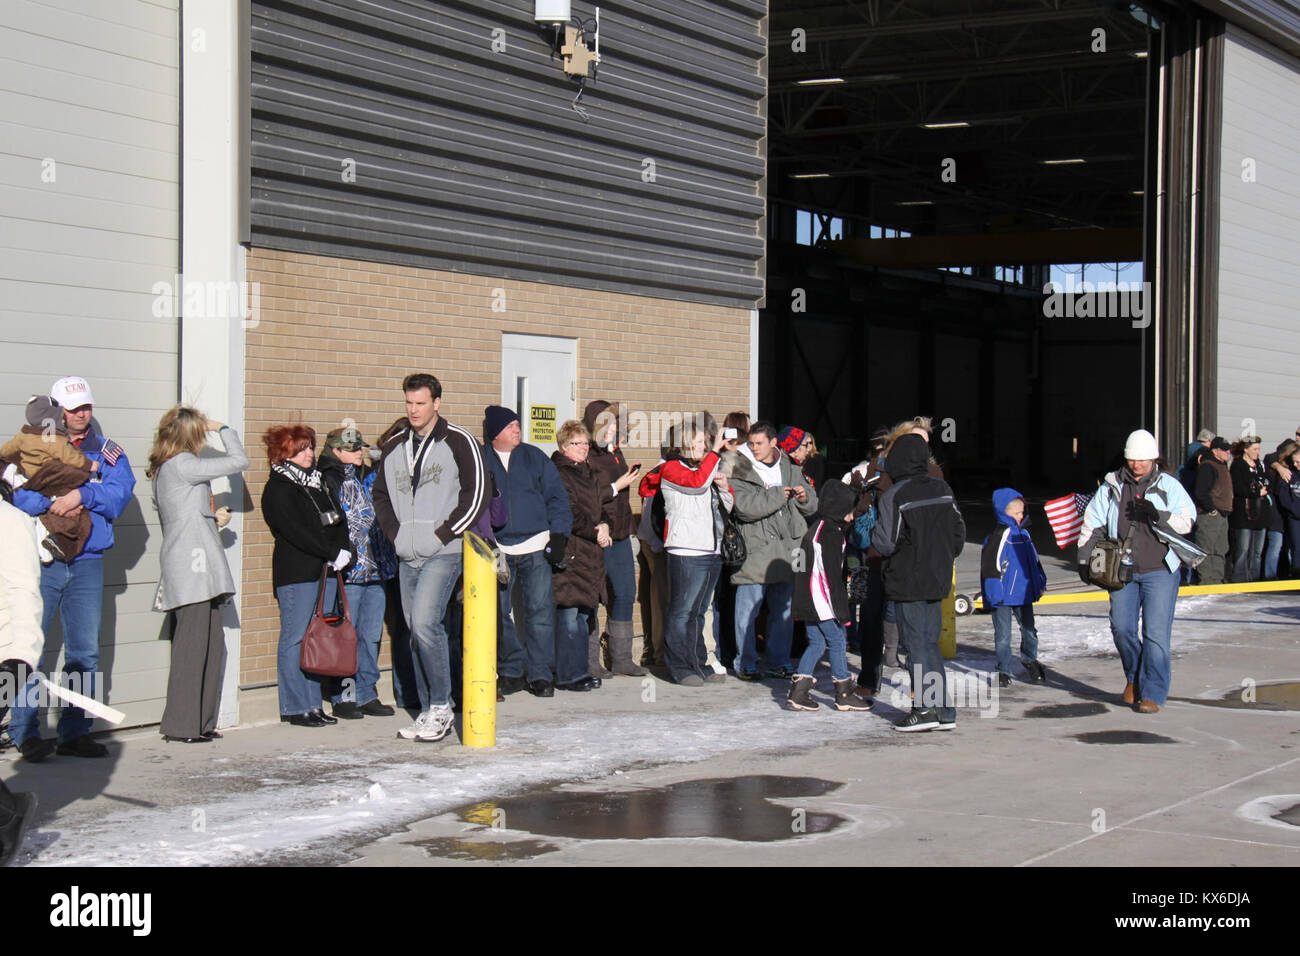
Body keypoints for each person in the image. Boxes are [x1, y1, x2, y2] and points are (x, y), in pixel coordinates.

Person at [7, 376, 136, 761]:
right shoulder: (32, 446)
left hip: (86, 563)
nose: (81, 414)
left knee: (84, 653)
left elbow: (119, 494)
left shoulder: (107, 450)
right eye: (73, 408)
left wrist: (83, 493)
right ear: (58, 411)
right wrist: (50, 503)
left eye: (86, 407)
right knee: (30, 649)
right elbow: (11, 493)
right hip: (42, 561)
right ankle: (23, 732)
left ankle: (74, 732)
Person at [372, 374, 487, 741]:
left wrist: (442, 534)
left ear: (436, 403)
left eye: (420, 403)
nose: (413, 410)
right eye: (409, 403)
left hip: (444, 550)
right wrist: (398, 534)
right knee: (416, 633)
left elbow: (477, 494)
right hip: (408, 552)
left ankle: (441, 706)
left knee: (425, 624)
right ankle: (427, 710)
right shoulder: (394, 447)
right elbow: (380, 496)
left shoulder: (459, 441)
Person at [1077, 429, 1195, 714]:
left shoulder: (1169, 485)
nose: (1137, 465)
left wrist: (1159, 515)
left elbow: (1188, 520)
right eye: (1132, 460)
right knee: (1122, 628)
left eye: (1143, 460)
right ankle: (1134, 677)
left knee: (1155, 634)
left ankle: (1152, 692)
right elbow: (1093, 523)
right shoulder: (1111, 485)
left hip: (1160, 570)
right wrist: (1084, 558)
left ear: (1153, 458)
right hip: (1122, 569)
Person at [148, 407, 249, 742]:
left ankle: (202, 722)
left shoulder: (171, 467)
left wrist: (210, 518)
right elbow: (238, 462)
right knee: (193, 646)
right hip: (191, 567)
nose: (203, 438)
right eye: (200, 432)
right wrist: (225, 428)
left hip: (198, 564)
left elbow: (185, 515)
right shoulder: (181, 464)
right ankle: (182, 725)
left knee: (212, 646)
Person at [871, 433, 966, 731]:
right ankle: (942, 709)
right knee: (929, 643)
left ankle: (924, 708)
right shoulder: (942, 488)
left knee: (915, 646)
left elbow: (885, 542)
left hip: (907, 578)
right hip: (937, 578)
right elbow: (959, 532)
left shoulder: (895, 495)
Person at [261, 424, 353, 728]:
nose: (309, 454)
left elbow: (337, 519)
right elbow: (295, 531)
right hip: (296, 572)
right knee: (296, 636)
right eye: (301, 449)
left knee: (317, 637)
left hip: (324, 569)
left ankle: (313, 704)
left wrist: (344, 549)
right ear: (284, 453)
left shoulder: (316, 483)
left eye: (310, 447)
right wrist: (330, 552)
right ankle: (294, 705)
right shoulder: (279, 488)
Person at [482, 405, 573, 697]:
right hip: (497, 548)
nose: (517, 430)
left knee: (539, 612)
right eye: (511, 426)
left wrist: (558, 536)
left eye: (518, 425)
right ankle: (510, 670)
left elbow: (557, 498)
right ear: (496, 432)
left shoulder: (534, 457)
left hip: (535, 545)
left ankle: (540, 674)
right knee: (496, 613)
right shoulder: (481, 459)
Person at [318, 426, 398, 720]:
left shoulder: (367, 475)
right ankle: (344, 695)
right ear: (335, 451)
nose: (358, 454)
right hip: (349, 570)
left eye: (359, 449)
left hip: (375, 567)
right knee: (346, 636)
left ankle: (367, 692)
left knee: (370, 635)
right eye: (351, 449)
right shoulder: (328, 478)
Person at [729, 421, 818, 680]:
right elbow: (745, 506)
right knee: (748, 610)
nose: (754, 448)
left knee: (784, 610)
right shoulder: (739, 468)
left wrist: (803, 497)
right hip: (755, 549)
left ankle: (778, 661)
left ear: (773, 443)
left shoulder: (790, 468)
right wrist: (780, 495)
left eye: (759, 443)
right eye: (751, 443)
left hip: (787, 550)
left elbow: (812, 505)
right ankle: (746, 661)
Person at [658, 421, 733, 686]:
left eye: (706, 441)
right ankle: (679, 666)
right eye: (701, 441)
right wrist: (714, 453)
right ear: (685, 443)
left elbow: (727, 506)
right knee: (682, 611)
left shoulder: (705, 467)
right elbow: (696, 484)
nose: (705, 445)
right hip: (686, 548)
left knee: (700, 611)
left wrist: (724, 486)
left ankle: (699, 662)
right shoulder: (671, 468)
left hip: (711, 548)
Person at [788, 479, 873, 711]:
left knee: (816, 642)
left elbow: (803, 566)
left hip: (809, 597)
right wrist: (841, 610)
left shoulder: (819, 527)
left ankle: (799, 691)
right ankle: (843, 691)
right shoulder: (830, 534)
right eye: (849, 511)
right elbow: (830, 575)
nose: (851, 516)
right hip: (821, 599)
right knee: (837, 640)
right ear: (839, 509)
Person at [583, 401, 646, 678]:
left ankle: (621, 658)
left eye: (615, 425)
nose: (613, 429)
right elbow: (586, 497)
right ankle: (590, 662)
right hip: (597, 535)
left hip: (620, 534)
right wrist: (615, 486)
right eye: (607, 424)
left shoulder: (615, 453)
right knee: (593, 596)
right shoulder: (587, 456)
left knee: (624, 593)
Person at [0, 480, 44, 864]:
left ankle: (8, 817)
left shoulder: (9, 521)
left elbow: (24, 592)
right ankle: (9, 814)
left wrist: (20, 659)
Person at [549, 421, 609, 692]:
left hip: (591, 554)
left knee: (585, 614)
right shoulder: (560, 473)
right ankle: (567, 674)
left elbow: (600, 507)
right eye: (577, 444)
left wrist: (606, 524)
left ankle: (581, 670)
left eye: (586, 443)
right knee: (568, 614)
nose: (584, 448)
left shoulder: (590, 472)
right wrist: (594, 532)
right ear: (564, 447)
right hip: (572, 550)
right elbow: (569, 512)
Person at [1, 395, 97, 561]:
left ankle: (50, 536)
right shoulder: (55, 438)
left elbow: (6, 451)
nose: (80, 415)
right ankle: (60, 541)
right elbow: (71, 457)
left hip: (32, 480)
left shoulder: (23, 435)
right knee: (78, 518)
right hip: (52, 478)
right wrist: (90, 465)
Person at [980, 488, 1048, 688]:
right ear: (1004, 513)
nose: (1021, 516)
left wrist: (1040, 582)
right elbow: (991, 566)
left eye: (1022, 512)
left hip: (1023, 592)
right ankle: (1003, 669)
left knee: (1029, 630)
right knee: (1003, 635)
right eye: (1017, 513)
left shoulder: (1024, 534)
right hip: (1002, 594)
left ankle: (1030, 659)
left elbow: (1034, 561)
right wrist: (994, 592)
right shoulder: (1000, 535)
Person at [1228, 436, 1271, 583]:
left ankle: (1254, 578)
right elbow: (1238, 487)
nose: (1257, 452)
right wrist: (1255, 492)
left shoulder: (1260, 464)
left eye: (1259, 449)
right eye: (1254, 449)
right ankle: (1239, 578)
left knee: (1257, 551)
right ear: (1246, 449)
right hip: (1244, 513)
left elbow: (1267, 481)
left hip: (1260, 512)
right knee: (1243, 549)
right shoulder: (1238, 465)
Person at [1191, 437, 1233, 585]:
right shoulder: (1208, 466)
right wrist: (1211, 508)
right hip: (1210, 515)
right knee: (1207, 549)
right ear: (1215, 451)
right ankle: (1207, 582)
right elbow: (1201, 491)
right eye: (1224, 449)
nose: (1228, 452)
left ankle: (1216, 580)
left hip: (1222, 515)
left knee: (1220, 549)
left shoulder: (1222, 465)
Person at [1271, 441, 1300, 578]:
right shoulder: (1290, 475)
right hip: (1294, 518)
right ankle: (1296, 575)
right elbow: (1284, 497)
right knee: (1296, 548)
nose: (1296, 465)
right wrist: (1294, 510)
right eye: (1294, 462)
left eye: (1298, 462)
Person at [779, 425, 824, 490]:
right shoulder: (785, 469)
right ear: (796, 448)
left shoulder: (794, 467)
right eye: (805, 445)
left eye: (810, 443)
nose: (807, 449)